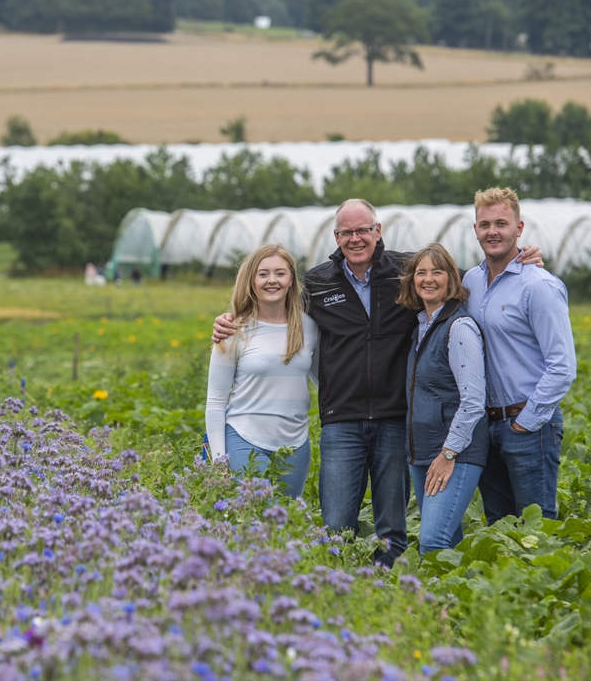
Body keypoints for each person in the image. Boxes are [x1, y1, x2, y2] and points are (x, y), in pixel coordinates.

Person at [213, 199, 543, 568]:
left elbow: (470, 278)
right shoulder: (318, 283)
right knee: (336, 524)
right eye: (347, 232)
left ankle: (389, 592)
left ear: (378, 231)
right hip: (341, 422)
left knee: (392, 527)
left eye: (363, 230)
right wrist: (231, 319)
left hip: (394, 419)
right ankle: (338, 588)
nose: (356, 239)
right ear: (336, 237)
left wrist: (517, 259)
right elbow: (274, 307)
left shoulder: (407, 270)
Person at [465, 187, 576, 524]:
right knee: (499, 529)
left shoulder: (539, 286)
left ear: (519, 227)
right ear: (475, 230)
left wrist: (524, 423)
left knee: (537, 529)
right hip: (485, 427)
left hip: (528, 425)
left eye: (501, 223)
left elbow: (563, 367)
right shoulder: (469, 282)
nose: (492, 232)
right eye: (485, 224)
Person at [205, 243, 319, 499]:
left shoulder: (308, 327)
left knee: (285, 521)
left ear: (291, 279)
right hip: (245, 437)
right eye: (263, 274)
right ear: (251, 280)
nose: (272, 281)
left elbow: (324, 381)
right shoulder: (233, 329)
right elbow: (215, 402)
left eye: (280, 273)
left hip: (295, 443)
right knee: (253, 518)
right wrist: (219, 460)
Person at [397, 244, 487, 555]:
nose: (428, 279)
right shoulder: (422, 327)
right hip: (424, 452)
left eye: (438, 271)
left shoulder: (459, 327)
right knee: (449, 544)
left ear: (452, 279)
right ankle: (459, 603)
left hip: (454, 453)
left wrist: (448, 454)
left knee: (432, 541)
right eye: (421, 272)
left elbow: (473, 399)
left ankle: (432, 604)